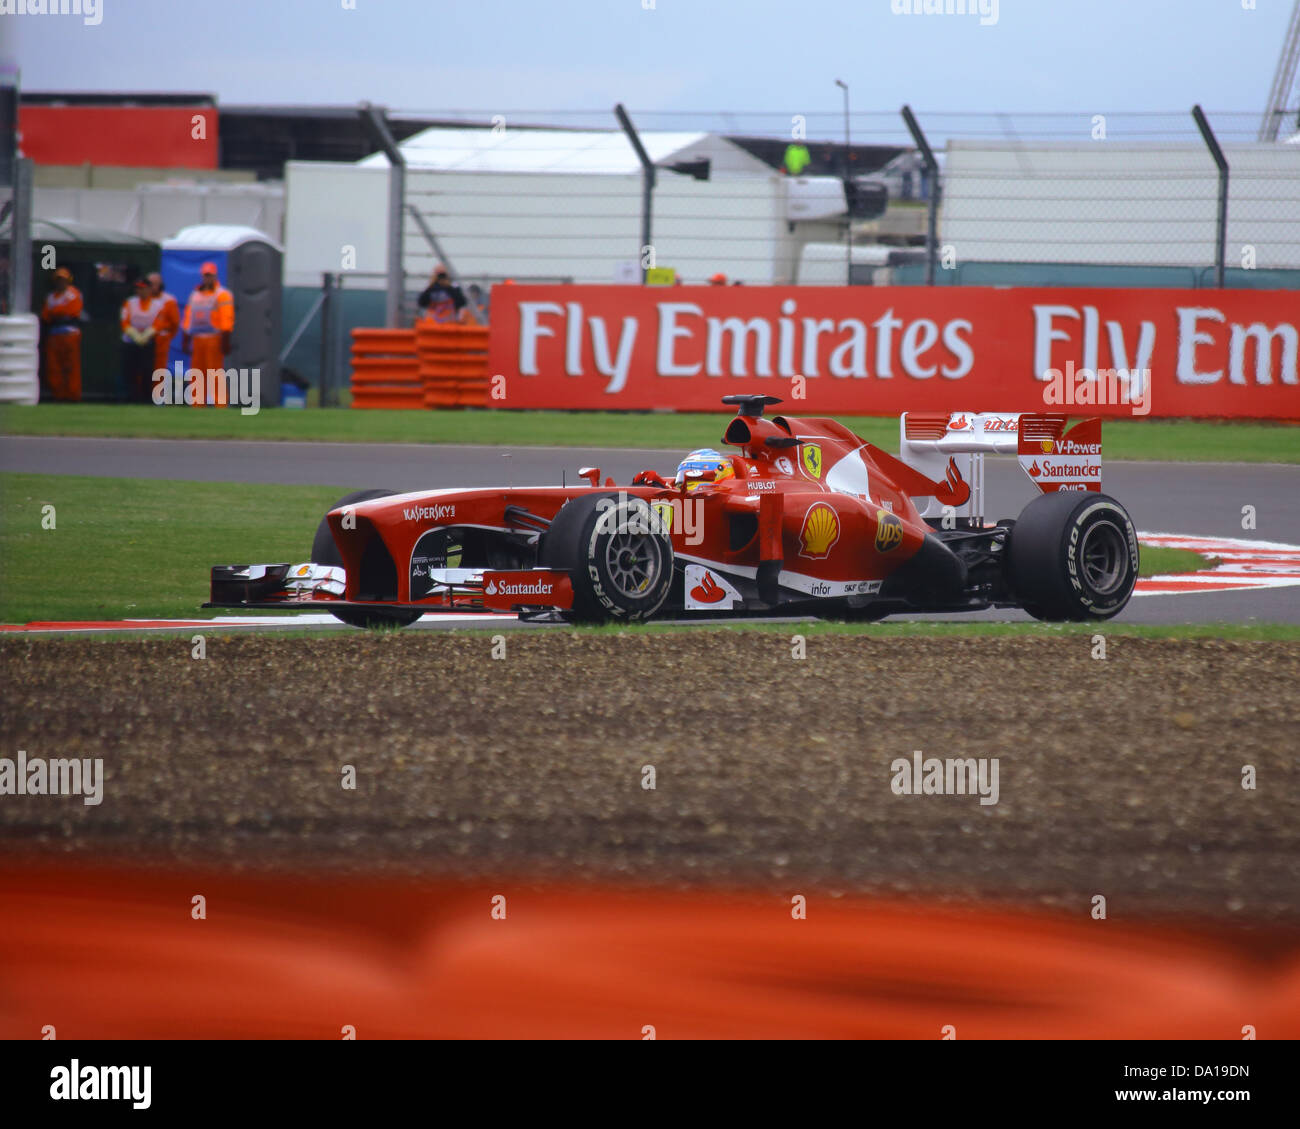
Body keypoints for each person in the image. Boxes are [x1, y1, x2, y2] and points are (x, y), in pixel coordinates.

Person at [181, 262, 235, 406]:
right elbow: (188, 317)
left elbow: (226, 317)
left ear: (215, 276)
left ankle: (220, 403)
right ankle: (197, 404)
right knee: (197, 373)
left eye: (210, 275)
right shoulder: (195, 295)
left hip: (214, 338)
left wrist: (225, 339)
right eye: (205, 275)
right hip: (198, 338)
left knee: (215, 373)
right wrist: (186, 338)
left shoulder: (222, 294)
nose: (207, 278)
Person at [40, 267, 84, 402]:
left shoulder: (73, 294)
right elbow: (46, 315)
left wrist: (57, 312)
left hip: (70, 334)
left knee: (71, 366)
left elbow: (73, 311)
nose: (61, 283)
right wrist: (58, 313)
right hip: (54, 334)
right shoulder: (51, 297)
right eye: (58, 280)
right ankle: (58, 395)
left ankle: (73, 396)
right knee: (54, 367)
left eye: (63, 280)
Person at [120, 278, 159, 403]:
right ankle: (131, 398)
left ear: (149, 289)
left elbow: (159, 323)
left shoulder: (157, 305)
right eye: (138, 288)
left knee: (147, 372)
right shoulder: (130, 303)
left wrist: (146, 335)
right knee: (130, 372)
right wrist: (135, 335)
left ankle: (147, 399)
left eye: (142, 288)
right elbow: (125, 322)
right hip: (131, 342)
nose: (140, 291)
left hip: (147, 343)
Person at [147, 272, 181, 377]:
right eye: (150, 284)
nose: (152, 287)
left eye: (155, 283)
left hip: (161, 340)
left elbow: (175, 323)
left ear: (160, 285)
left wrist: (166, 336)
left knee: (159, 369)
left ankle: (158, 391)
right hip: (144, 339)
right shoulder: (143, 299)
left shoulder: (168, 300)